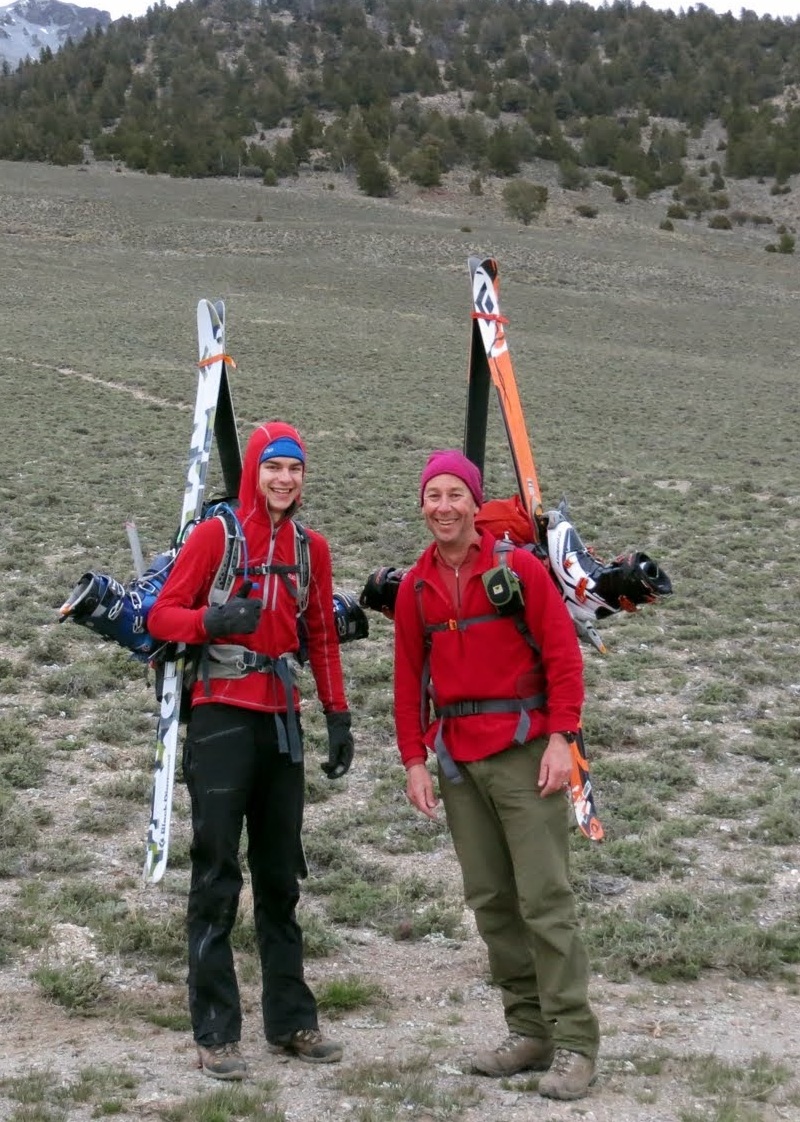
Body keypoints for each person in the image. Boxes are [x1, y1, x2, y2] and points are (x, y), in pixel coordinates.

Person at [148, 421, 355, 1082]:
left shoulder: (310, 548)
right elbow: (161, 615)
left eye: (295, 469)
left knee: (278, 877)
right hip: (221, 719)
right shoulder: (218, 536)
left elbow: (321, 631)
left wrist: (337, 712)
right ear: (255, 473)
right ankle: (215, 1031)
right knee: (215, 875)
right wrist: (210, 622)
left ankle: (291, 1021)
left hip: (282, 724)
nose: (285, 480)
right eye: (274, 468)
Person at [392, 449, 599, 1101]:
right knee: (491, 902)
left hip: (524, 752)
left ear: (474, 504)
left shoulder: (519, 571)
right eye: (434, 495)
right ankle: (528, 1031)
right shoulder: (415, 586)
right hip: (456, 761)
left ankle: (575, 1044)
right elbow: (406, 681)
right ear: (422, 505)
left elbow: (564, 657)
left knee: (545, 899)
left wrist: (563, 738)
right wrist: (413, 760)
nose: (444, 506)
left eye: (456, 494)